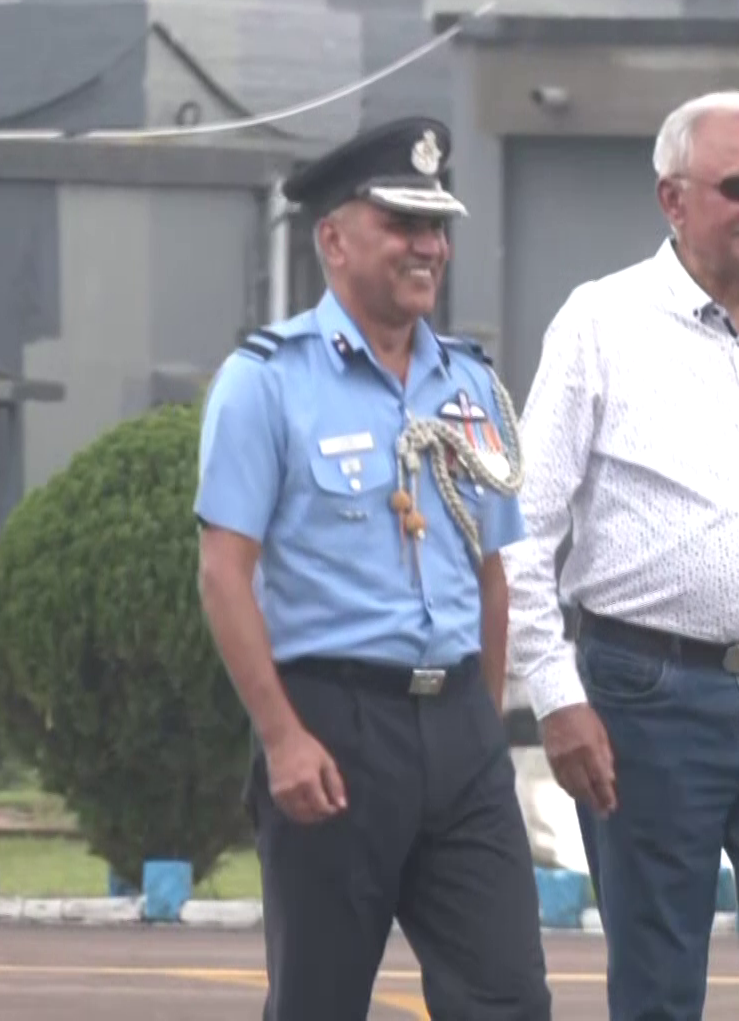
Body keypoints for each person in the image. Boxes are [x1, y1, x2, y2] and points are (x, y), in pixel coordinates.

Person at [500, 90, 739, 1021]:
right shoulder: (600, 322)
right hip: (645, 696)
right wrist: (557, 697)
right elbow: (523, 529)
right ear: (673, 200)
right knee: (662, 985)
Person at [194, 117, 551, 1020]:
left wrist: (481, 708)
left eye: (437, 227)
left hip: (460, 732)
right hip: (334, 726)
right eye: (402, 222)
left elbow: (492, 569)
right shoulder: (267, 380)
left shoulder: (470, 385)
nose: (428, 246)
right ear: (334, 237)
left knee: (508, 998)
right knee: (320, 1001)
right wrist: (281, 736)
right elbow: (225, 572)